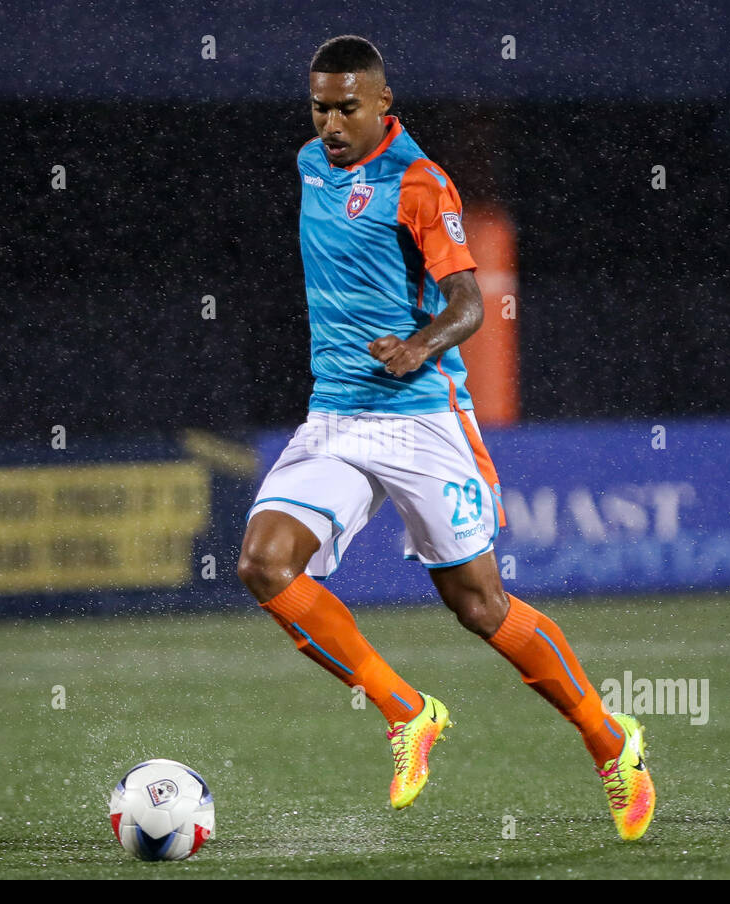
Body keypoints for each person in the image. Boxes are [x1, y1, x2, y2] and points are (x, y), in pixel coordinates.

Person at [237, 35, 655, 841]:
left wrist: (418, 344)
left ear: (384, 104)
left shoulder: (421, 184)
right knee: (262, 561)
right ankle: (406, 711)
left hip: (423, 414)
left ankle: (611, 742)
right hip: (335, 416)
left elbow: (468, 303)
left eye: (347, 108)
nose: (330, 123)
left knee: (479, 606)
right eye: (320, 106)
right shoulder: (309, 163)